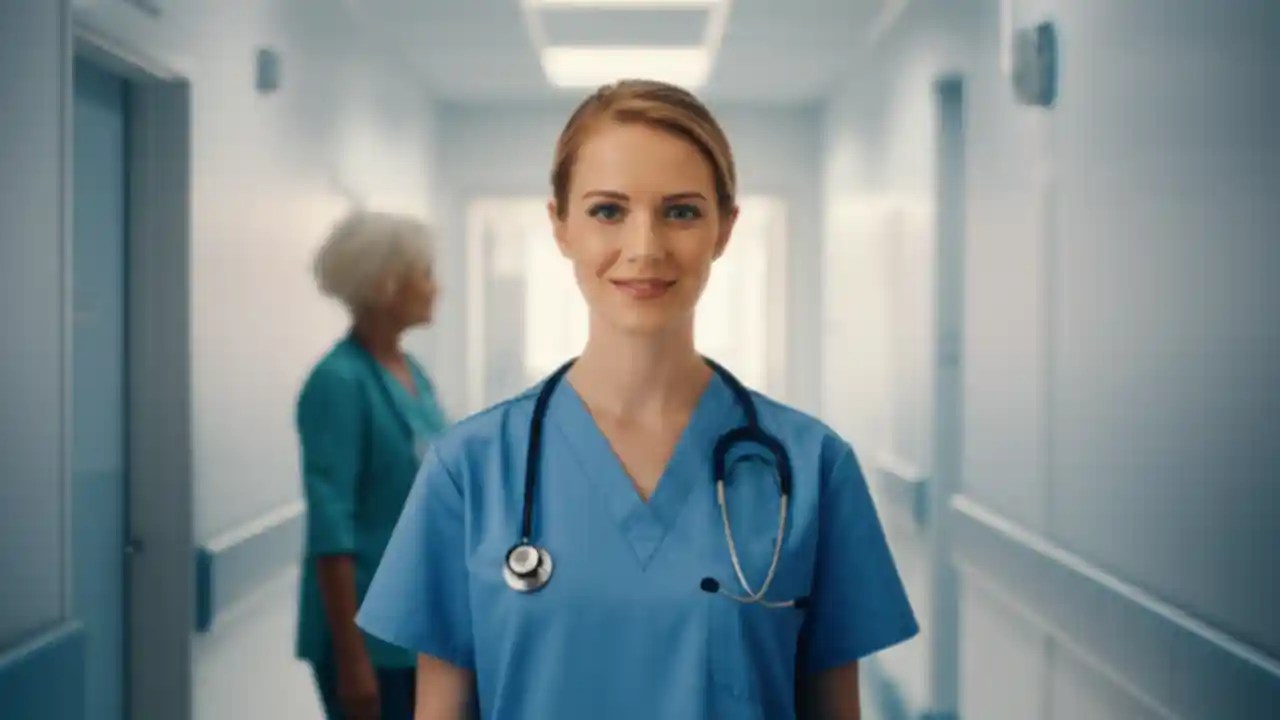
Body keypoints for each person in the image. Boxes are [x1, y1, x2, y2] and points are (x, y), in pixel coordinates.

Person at [356, 80, 918, 719]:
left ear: (724, 229)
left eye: (681, 211)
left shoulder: (813, 468)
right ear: (560, 226)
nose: (645, 247)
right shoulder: (470, 470)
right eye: (607, 211)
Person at [295, 210, 450, 720]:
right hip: (365, 635)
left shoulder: (412, 373)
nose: (436, 287)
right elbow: (331, 530)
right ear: (387, 282)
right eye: (424, 273)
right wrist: (351, 658)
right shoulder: (338, 384)